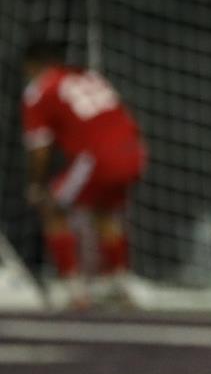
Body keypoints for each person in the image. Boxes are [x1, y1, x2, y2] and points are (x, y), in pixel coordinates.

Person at [19, 40, 148, 310]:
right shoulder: (87, 76)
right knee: (105, 212)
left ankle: (74, 289)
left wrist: (35, 184)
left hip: (97, 158)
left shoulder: (40, 90)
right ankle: (120, 283)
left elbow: (40, 148)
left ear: (32, 65)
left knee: (52, 205)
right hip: (133, 150)